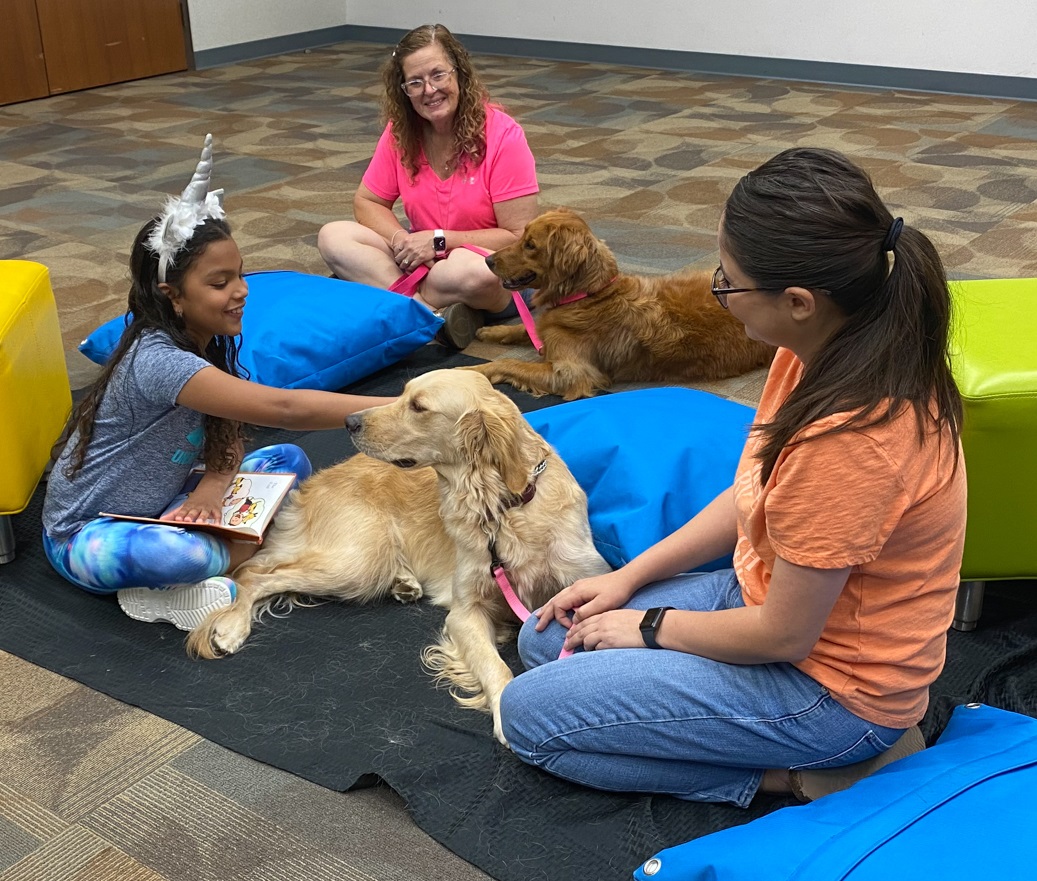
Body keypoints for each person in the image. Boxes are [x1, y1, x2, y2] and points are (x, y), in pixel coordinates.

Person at [498, 147, 967, 807]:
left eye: (729, 281)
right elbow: (750, 493)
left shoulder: (852, 442)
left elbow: (783, 634)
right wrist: (626, 581)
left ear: (799, 300)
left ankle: (814, 774)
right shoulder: (815, 351)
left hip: (831, 691)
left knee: (529, 717)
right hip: (770, 608)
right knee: (546, 637)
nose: (718, 290)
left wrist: (650, 626)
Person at [42, 135, 395, 632]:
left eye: (240, 275)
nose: (241, 291)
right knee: (180, 556)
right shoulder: (158, 360)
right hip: (86, 533)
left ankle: (223, 561)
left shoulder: (205, 342)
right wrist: (402, 405)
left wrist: (211, 483)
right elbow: (285, 409)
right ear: (173, 296)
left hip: (169, 502)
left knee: (289, 461)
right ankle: (194, 574)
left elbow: (226, 427)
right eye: (219, 283)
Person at [317, 23, 540, 349]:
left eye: (438, 75)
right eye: (415, 82)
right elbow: (368, 201)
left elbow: (519, 238)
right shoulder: (401, 132)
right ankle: (429, 313)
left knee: (471, 273)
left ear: (459, 74)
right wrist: (402, 240)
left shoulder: (503, 135)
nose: (429, 90)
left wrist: (438, 241)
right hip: (422, 262)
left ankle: (398, 300)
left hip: (489, 265)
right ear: (403, 90)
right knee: (334, 236)